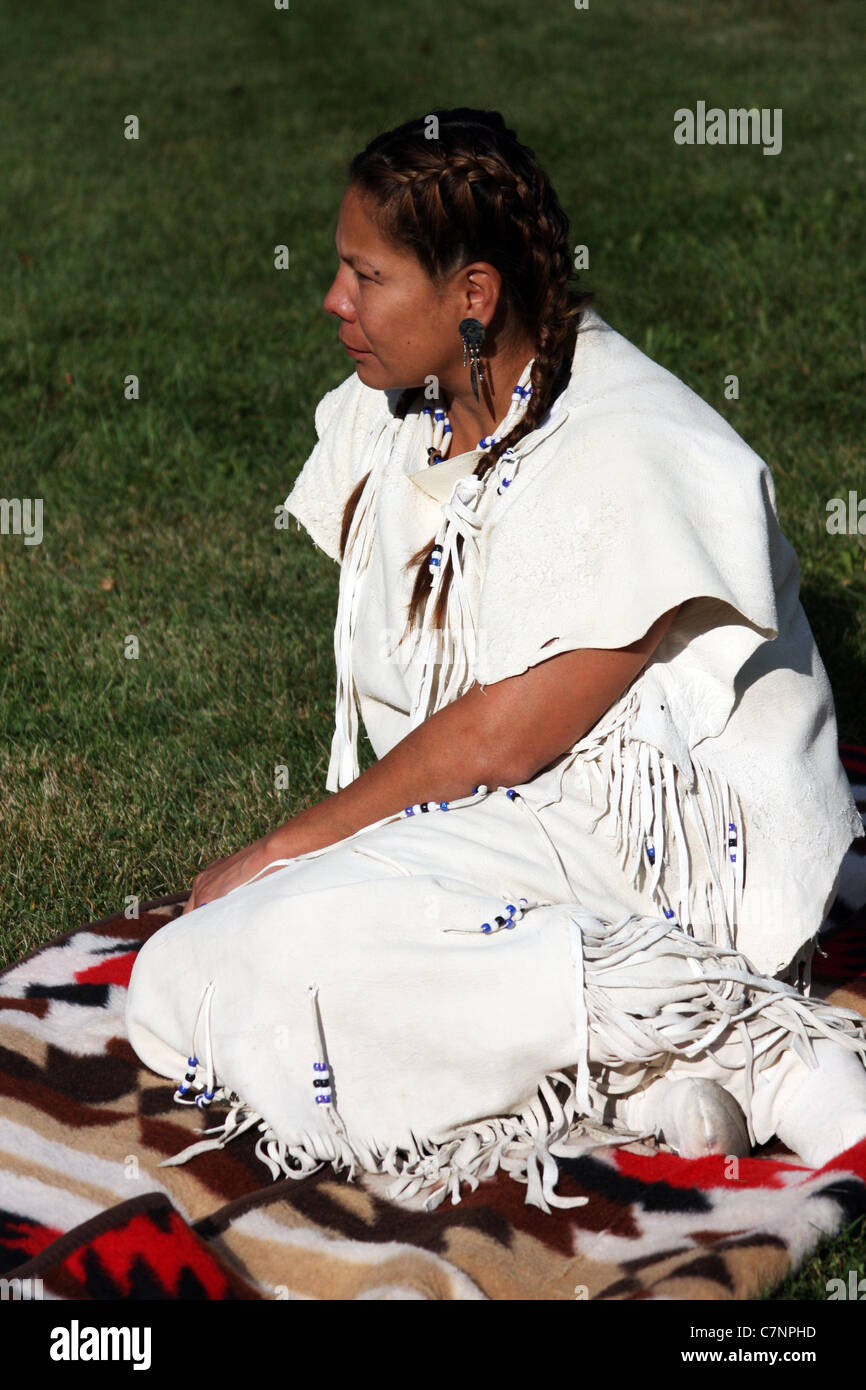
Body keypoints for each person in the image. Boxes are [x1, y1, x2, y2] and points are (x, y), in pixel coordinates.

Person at [126, 109, 866, 1213]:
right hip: (492, 830)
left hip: (639, 854)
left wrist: (282, 847)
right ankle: (645, 1073)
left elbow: (501, 737)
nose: (334, 302)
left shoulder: (638, 445)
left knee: (284, 949)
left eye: (364, 275)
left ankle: (760, 1046)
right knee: (174, 982)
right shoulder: (396, 421)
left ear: (470, 295)